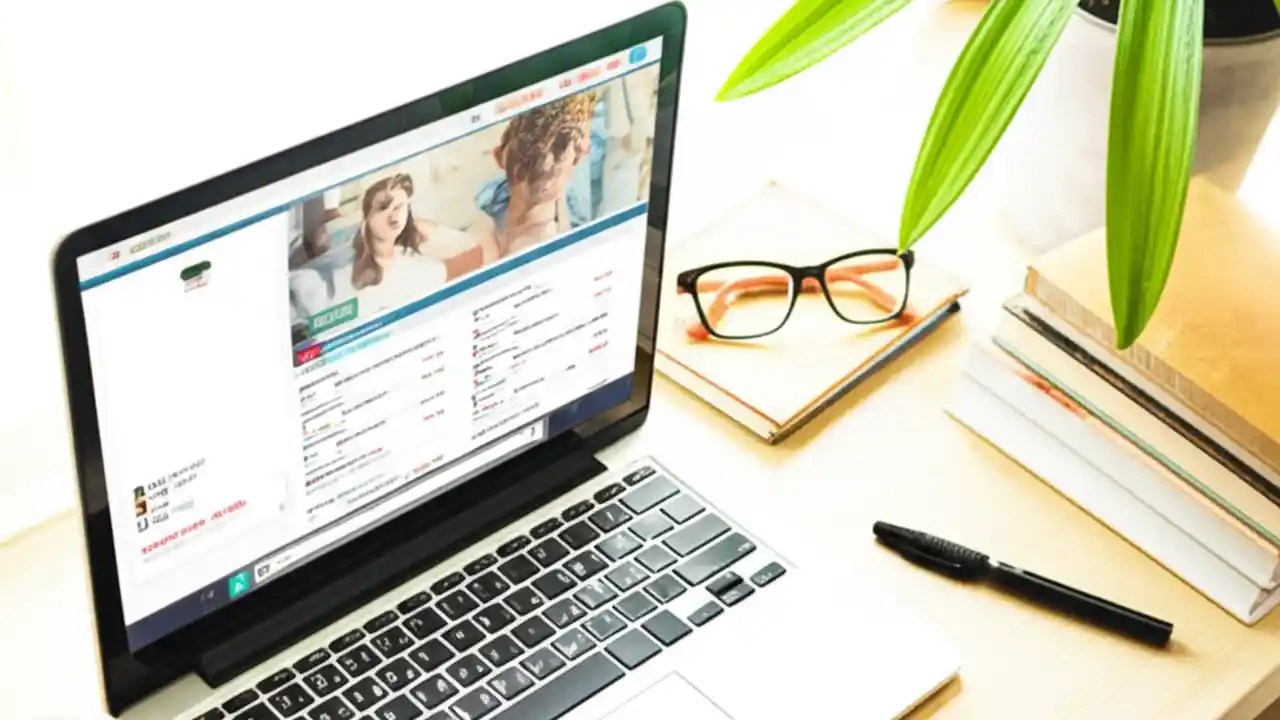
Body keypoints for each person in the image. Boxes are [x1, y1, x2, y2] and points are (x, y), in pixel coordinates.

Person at [350, 173, 497, 314]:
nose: (393, 215)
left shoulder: (404, 261)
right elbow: (474, 257)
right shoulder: (411, 270)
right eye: (383, 207)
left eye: (399, 208)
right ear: (367, 214)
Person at [479, 91, 601, 256]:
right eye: (528, 146)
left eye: (560, 144)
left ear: (579, 156)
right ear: (499, 155)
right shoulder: (480, 226)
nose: (545, 164)